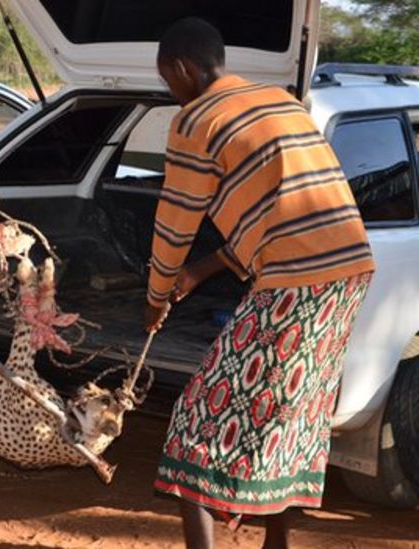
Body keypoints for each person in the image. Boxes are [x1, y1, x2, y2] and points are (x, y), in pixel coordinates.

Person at [144, 17, 376, 549]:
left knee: (195, 422)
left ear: (181, 69)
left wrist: (154, 298)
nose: (169, 92)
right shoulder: (279, 102)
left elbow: (175, 220)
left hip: (296, 283)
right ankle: (277, 543)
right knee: (287, 415)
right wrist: (201, 271)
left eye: (166, 80)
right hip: (347, 274)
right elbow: (282, 208)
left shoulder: (194, 119)